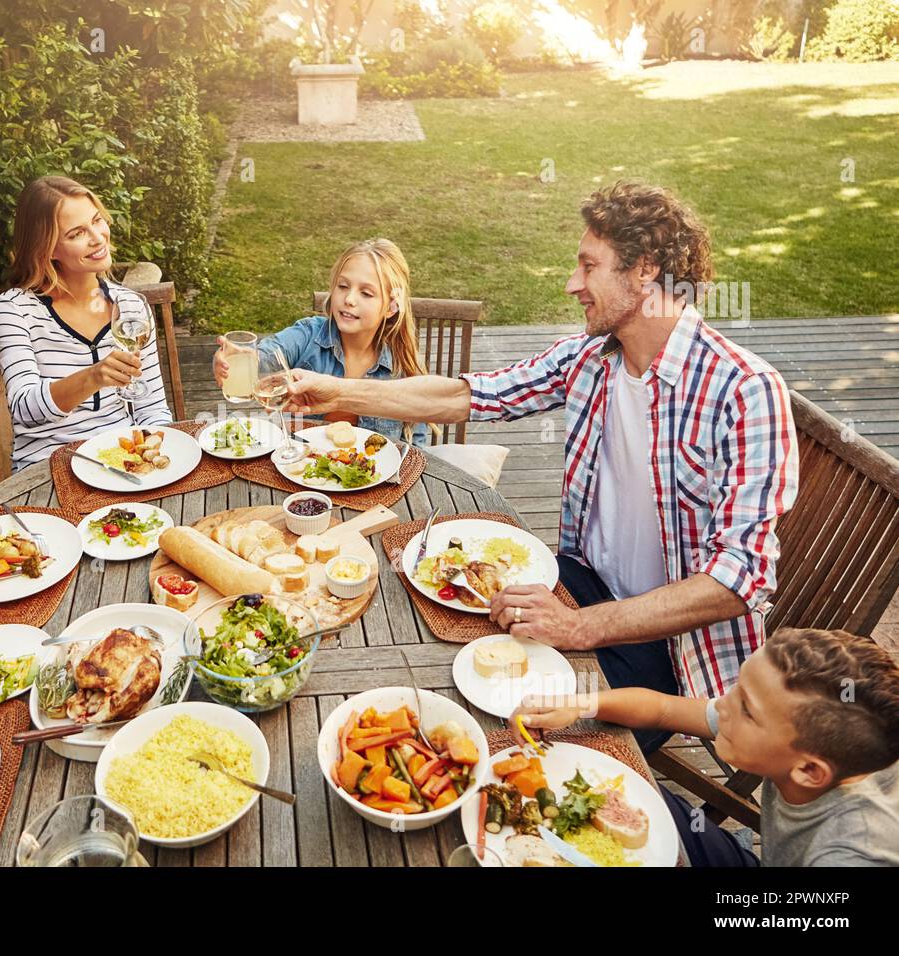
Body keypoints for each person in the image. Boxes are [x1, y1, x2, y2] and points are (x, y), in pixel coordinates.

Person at [284, 182, 799, 752]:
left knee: (508, 741)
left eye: (588, 266)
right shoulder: (592, 357)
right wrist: (338, 389)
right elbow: (469, 396)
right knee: (443, 643)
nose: (572, 283)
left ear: (646, 270)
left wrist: (579, 627)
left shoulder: (743, 392)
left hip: (672, 654)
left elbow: (738, 580)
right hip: (575, 584)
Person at [511, 627, 899, 866]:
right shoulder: (799, 739)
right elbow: (663, 709)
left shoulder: (855, 852)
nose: (722, 705)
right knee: (632, 789)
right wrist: (580, 703)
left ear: (810, 772)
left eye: (747, 710)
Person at [0, 175, 172, 471]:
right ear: (46, 248)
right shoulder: (14, 310)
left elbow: (151, 407)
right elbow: (25, 409)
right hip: (46, 468)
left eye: (97, 221)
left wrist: (155, 457)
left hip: (120, 464)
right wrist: (93, 377)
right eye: (76, 234)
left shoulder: (131, 306)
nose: (97, 237)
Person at [213, 238, 434, 446]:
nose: (349, 299)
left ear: (390, 307)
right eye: (343, 286)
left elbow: (414, 448)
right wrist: (239, 358)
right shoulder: (308, 334)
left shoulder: (402, 369)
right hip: (297, 472)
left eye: (366, 293)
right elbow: (267, 355)